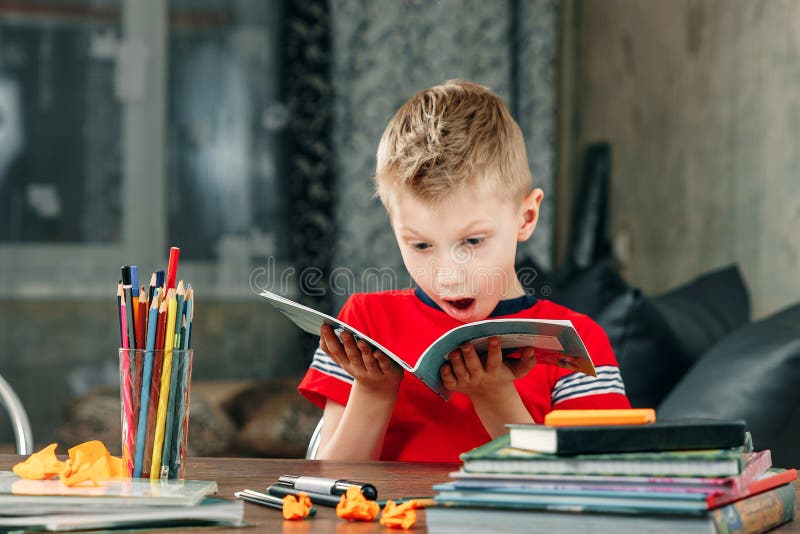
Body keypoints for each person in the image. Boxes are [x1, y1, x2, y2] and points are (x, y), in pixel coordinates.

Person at [298, 80, 630, 462]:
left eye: (472, 242)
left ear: (526, 217)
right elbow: (324, 490)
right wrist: (373, 392)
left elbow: (591, 495)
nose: (448, 277)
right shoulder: (364, 324)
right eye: (421, 245)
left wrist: (495, 399)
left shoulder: (580, 344)